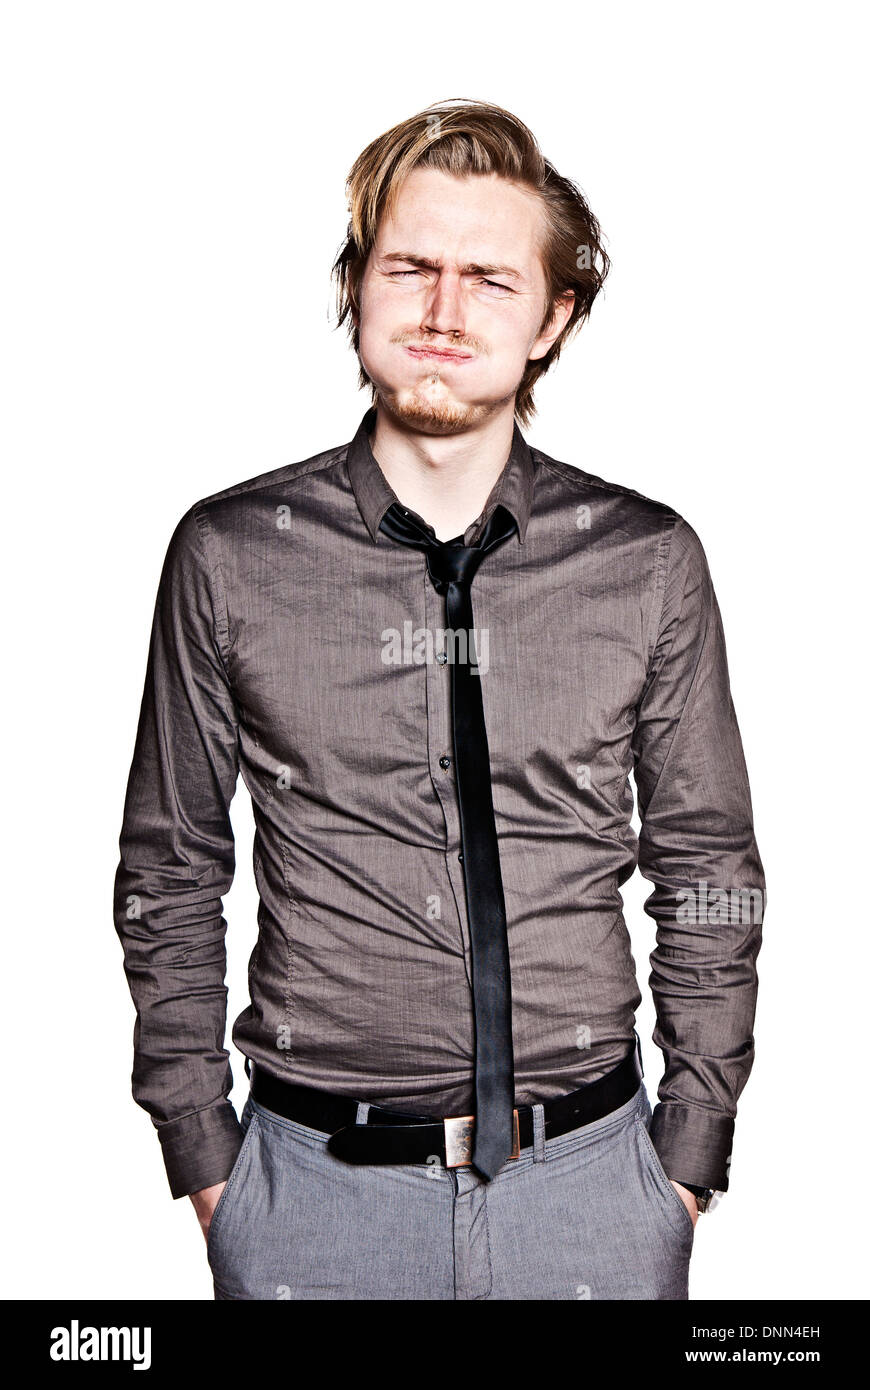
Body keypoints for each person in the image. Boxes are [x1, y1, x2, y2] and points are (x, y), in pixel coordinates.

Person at [113, 98, 765, 1301]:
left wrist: (687, 1158)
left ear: (554, 315)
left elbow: (709, 866)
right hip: (311, 1199)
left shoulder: (645, 559)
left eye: (490, 279)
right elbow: (169, 869)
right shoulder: (230, 553)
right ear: (357, 286)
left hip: (595, 1197)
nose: (444, 312)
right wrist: (206, 1157)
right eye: (410, 268)